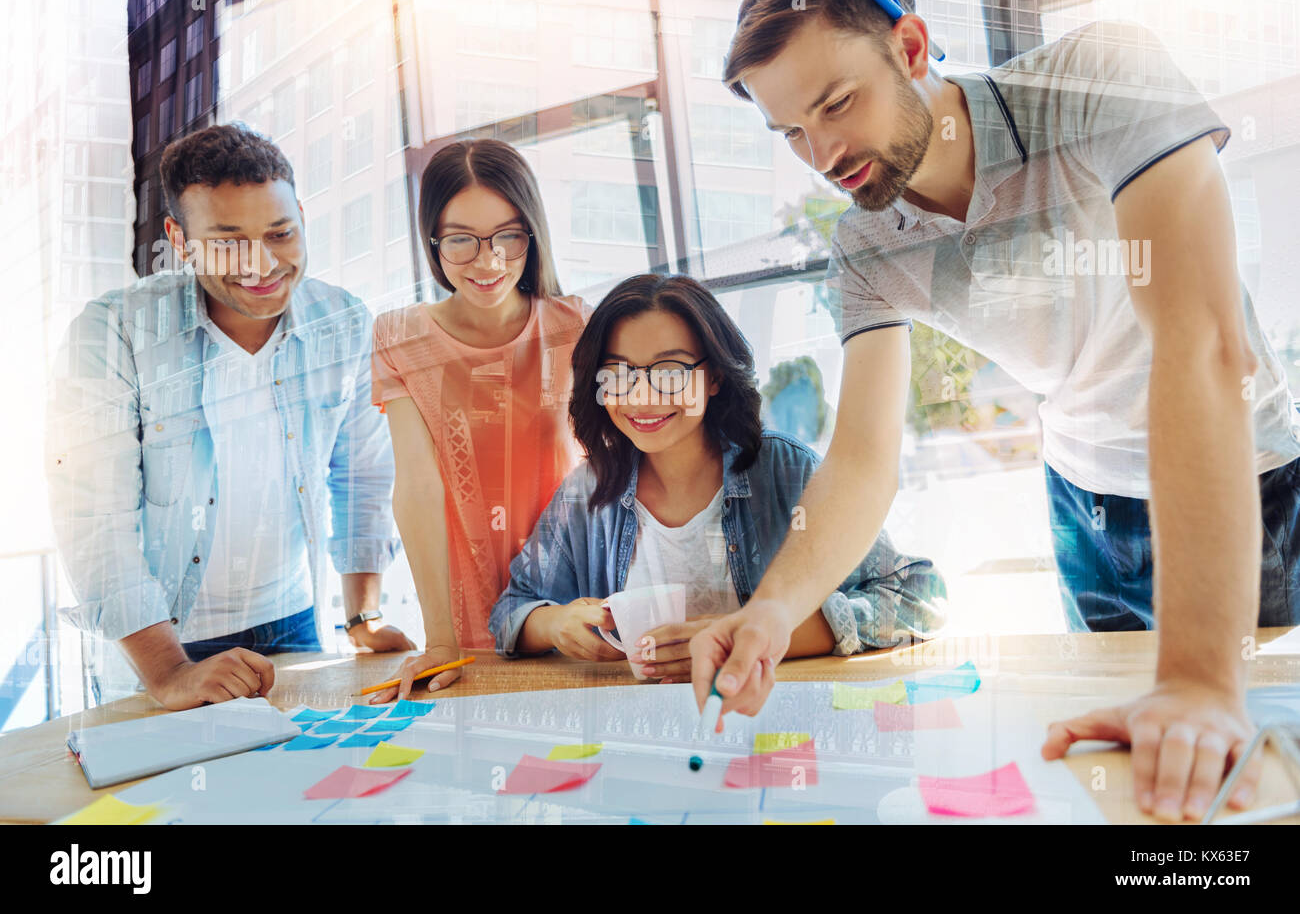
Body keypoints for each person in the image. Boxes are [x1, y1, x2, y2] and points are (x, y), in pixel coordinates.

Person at [688, 0, 1300, 822]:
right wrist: (774, 610)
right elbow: (863, 460)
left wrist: (1201, 675)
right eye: (790, 132)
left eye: (835, 104)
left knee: (1255, 779)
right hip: (1084, 510)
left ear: (909, 45)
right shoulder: (866, 250)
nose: (822, 156)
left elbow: (1200, 346)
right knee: (1139, 791)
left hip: (1245, 486)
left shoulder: (1099, 76)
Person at [46, 124, 412, 711]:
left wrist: (363, 615)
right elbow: (94, 518)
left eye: (280, 232)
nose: (261, 263)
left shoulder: (341, 320)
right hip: (160, 643)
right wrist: (169, 673)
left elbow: (361, 476)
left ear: (301, 217)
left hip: (293, 624)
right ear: (179, 238)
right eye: (227, 239)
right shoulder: (113, 331)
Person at [489, 273, 947, 667]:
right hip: (642, 740)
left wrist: (755, 634)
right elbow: (512, 609)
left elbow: (919, 597)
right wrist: (553, 624)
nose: (642, 397)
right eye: (619, 374)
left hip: (770, 732)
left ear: (715, 377)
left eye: (668, 372)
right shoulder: (587, 496)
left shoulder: (784, 472)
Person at [367, 140, 592, 703]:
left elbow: (612, 468)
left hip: (570, 604)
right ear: (433, 241)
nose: (488, 262)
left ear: (531, 234)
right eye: (462, 241)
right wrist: (440, 640)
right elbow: (417, 487)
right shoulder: (400, 338)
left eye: (508, 237)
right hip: (466, 616)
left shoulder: (576, 326)